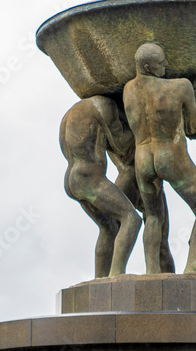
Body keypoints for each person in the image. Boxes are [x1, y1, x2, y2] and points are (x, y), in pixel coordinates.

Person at [123, 42, 196, 274]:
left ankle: (151, 271)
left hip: (143, 157)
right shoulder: (180, 86)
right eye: (161, 62)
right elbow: (193, 126)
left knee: (152, 216)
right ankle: (193, 267)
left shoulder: (128, 89)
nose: (166, 65)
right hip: (171, 155)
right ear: (147, 66)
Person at [59, 95, 143, 277]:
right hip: (90, 177)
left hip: (72, 177)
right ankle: (116, 273)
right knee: (131, 219)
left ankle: (101, 279)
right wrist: (140, 130)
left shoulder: (72, 112)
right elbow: (122, 145)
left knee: (109, 228)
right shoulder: (104, 105)